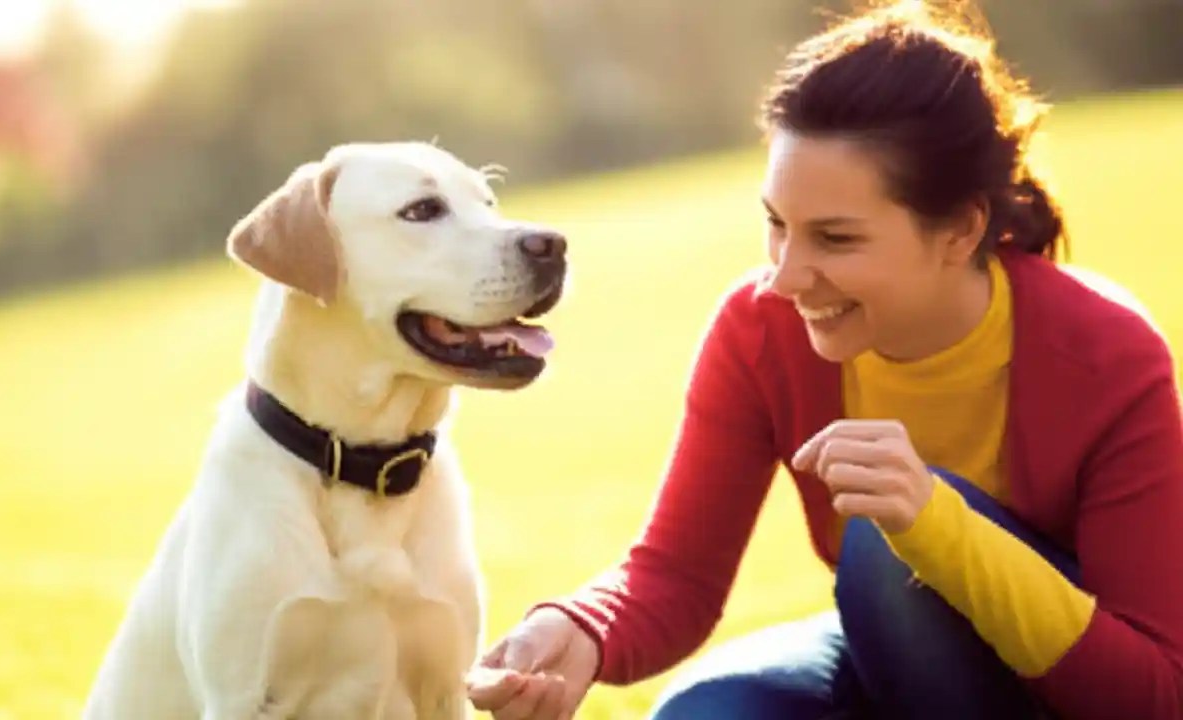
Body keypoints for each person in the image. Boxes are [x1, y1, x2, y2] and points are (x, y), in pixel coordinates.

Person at [463, 1, 1183, 718]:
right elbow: (677, 575)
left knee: (881, 543)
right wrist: (582, 628)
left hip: (1062, 686)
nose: (784, 276)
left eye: (835, 239)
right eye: (777, 226)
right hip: (895, 656)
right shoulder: (760, 331)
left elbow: (1153, 692)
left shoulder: (1105, 354)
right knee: (705, 713)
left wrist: (936, 527)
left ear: (961, 230)